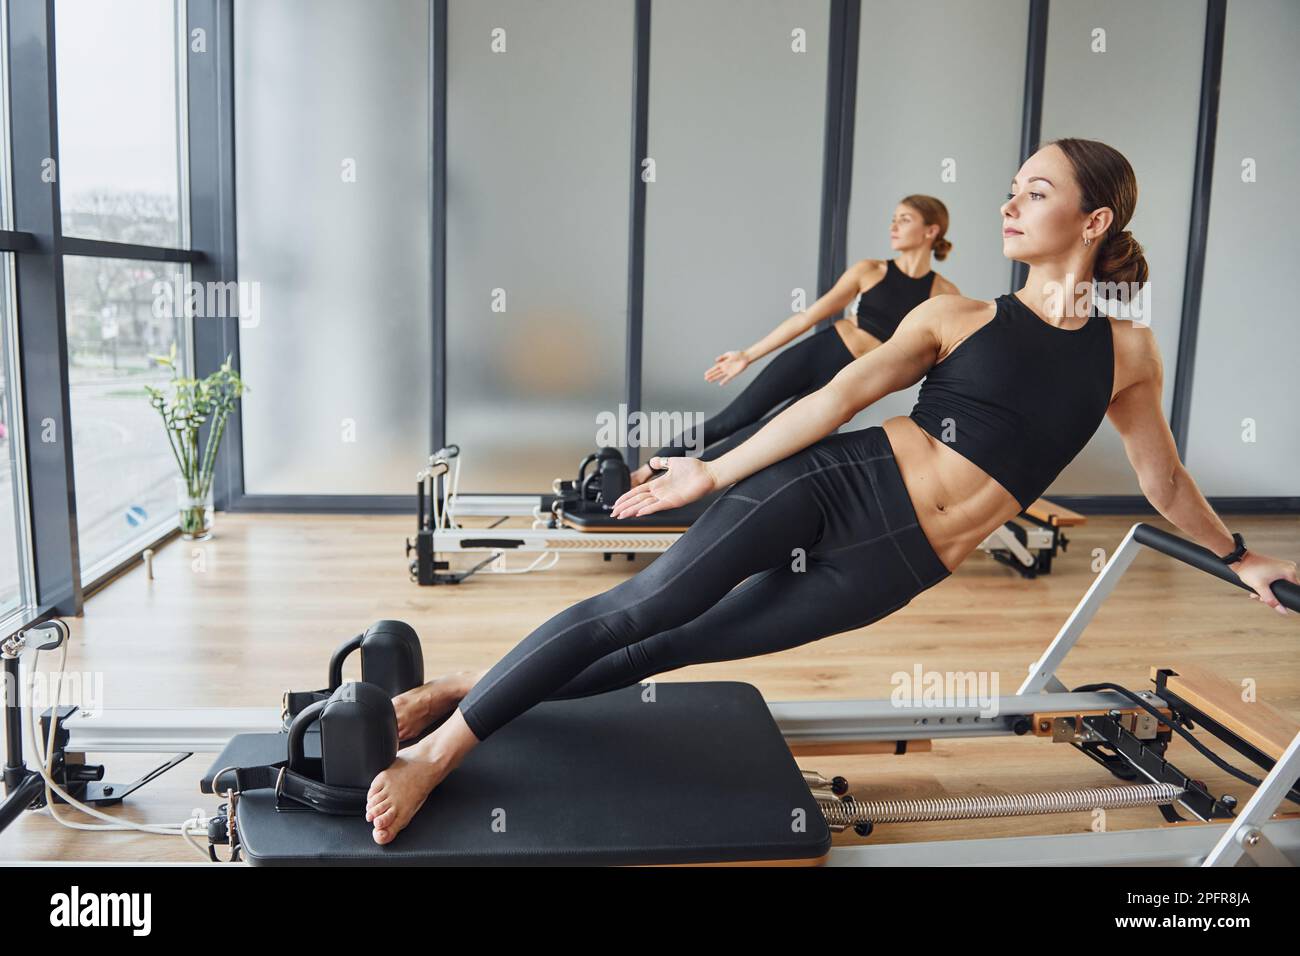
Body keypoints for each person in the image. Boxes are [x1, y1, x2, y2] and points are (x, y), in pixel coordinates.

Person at [365, 138, 1299, 846]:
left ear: (1094, 222)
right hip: (834, 489)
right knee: (640, 608)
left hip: (897, 568)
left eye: (1038, 191)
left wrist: (1237, 555)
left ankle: (466, 688)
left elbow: (1162, 479)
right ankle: (437, 752)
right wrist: (713, 469)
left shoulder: (1125, 355)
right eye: (1011, 190)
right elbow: (835, 396)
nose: (1012, 203)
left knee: (680, 645)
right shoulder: (956, 314)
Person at [629, 195, 958, 487]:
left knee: (763, 436)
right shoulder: (871, 270)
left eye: (905, 219)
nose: (893, 226)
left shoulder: (943, 294)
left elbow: (938, 355)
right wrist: (747, 355)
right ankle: (647, 470)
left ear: (930, 231)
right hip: (818, 354)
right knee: (731, 420)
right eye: (893, 218)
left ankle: (679, 482)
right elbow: (807, 317)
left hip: (847, 383)